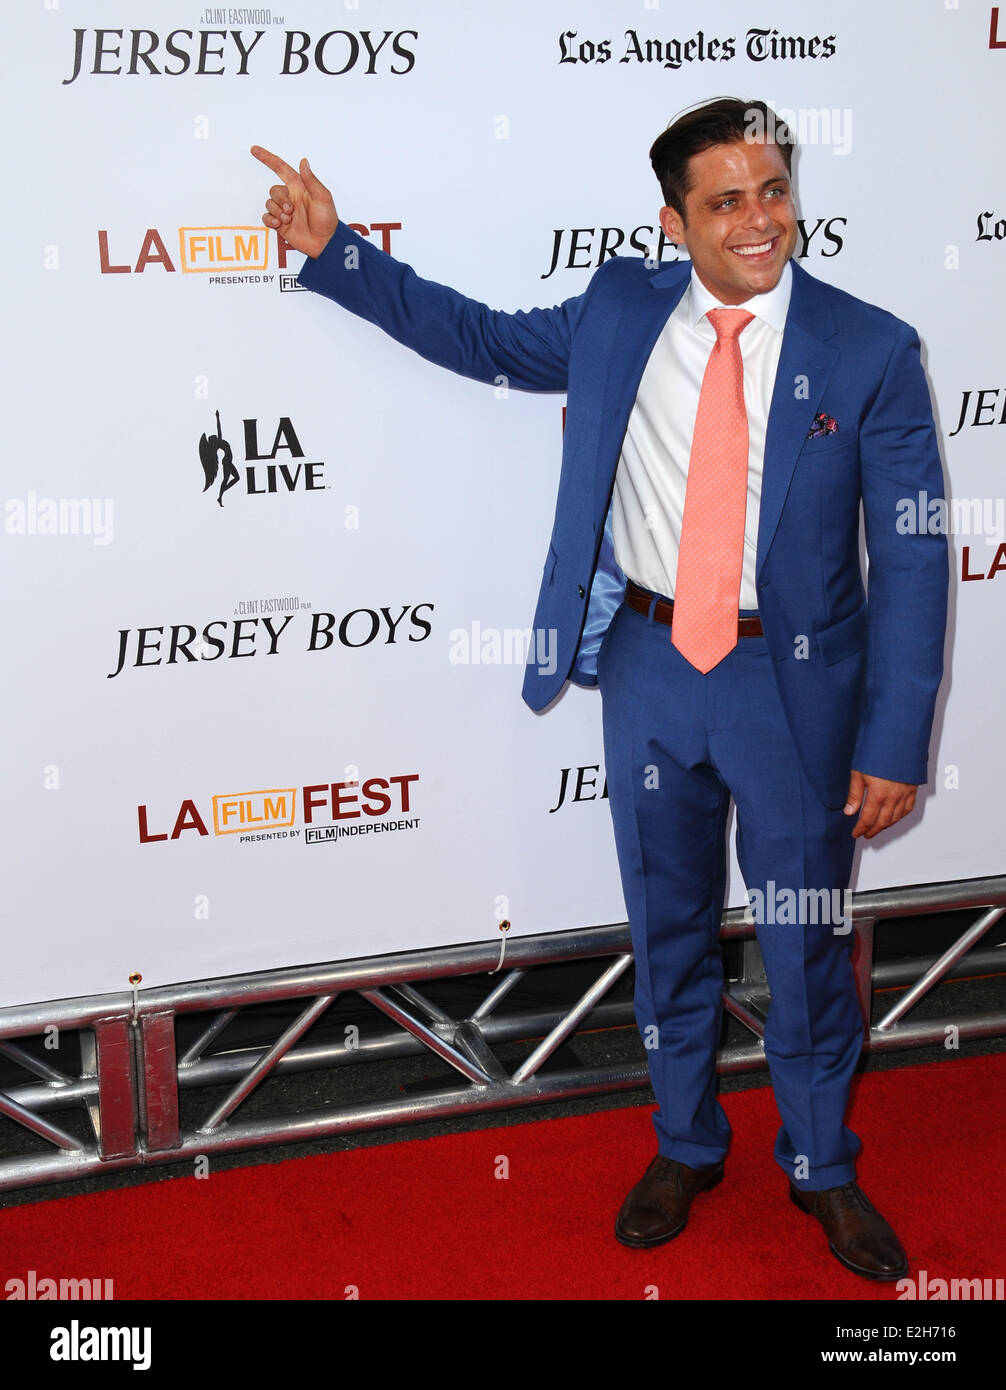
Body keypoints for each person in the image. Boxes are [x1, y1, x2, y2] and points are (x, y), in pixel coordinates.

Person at [251, 97, 948, 1281]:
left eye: (772, 189)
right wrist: (336, 252)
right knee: (665, 928)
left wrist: (893, 738)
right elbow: (475, 339)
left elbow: (917, 552)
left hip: (794, 691)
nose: (759, 219)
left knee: (801, 945)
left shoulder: (869, 345)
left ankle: (824, 1167)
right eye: (726, 200)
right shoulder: (619, 312)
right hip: (648, 666)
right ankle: (685, 1143)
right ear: (673, 221)